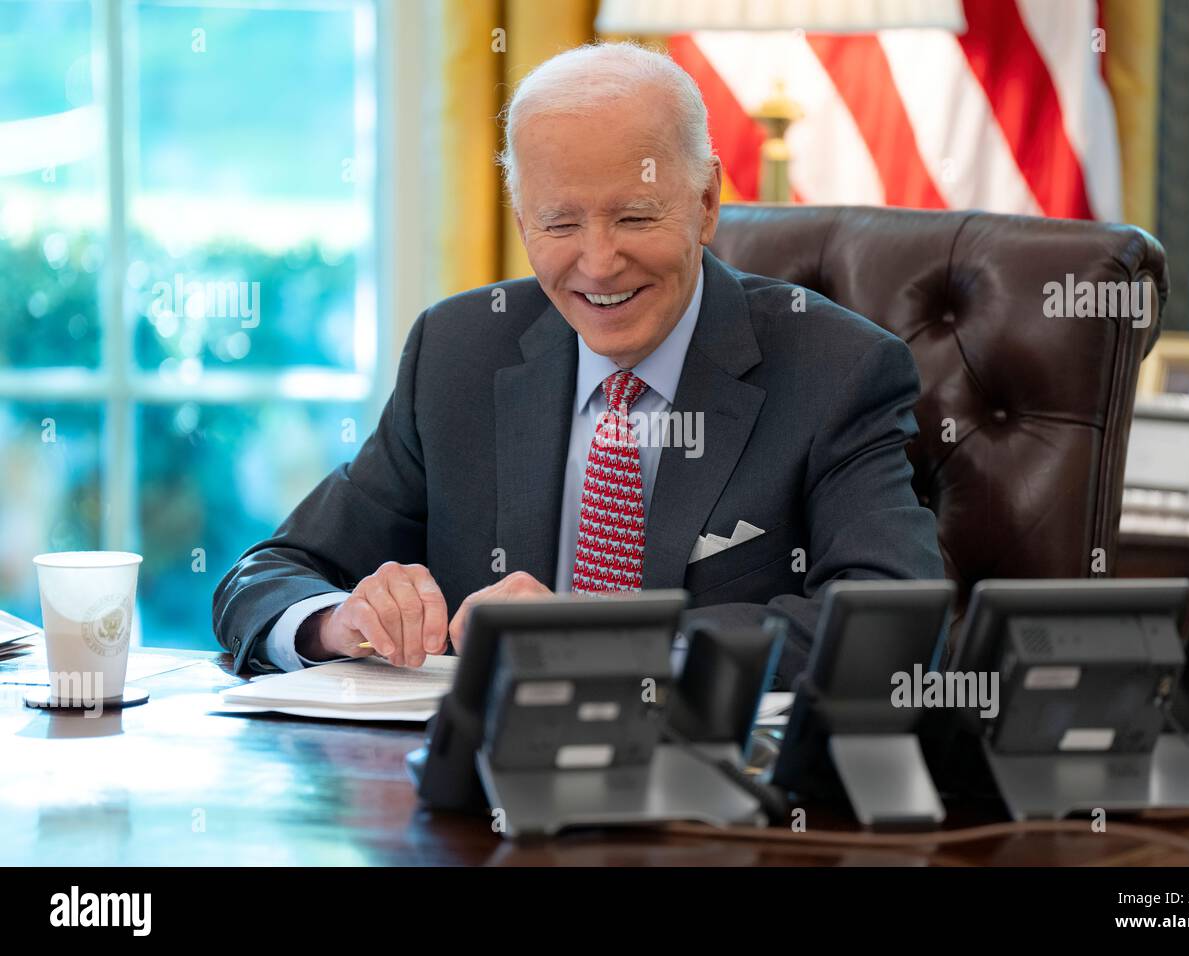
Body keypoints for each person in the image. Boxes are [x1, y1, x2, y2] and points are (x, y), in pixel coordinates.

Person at [212, 42, 943, 687]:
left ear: (708, 200)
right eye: (560, 222)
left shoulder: (838, 369)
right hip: (476, 800)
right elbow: (264, 576)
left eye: (634, 216)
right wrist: (337, 619)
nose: (597, 264)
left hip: (706, 805)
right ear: (521, 215)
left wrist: (604, 643)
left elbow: (893, 624)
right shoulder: (459, 351)